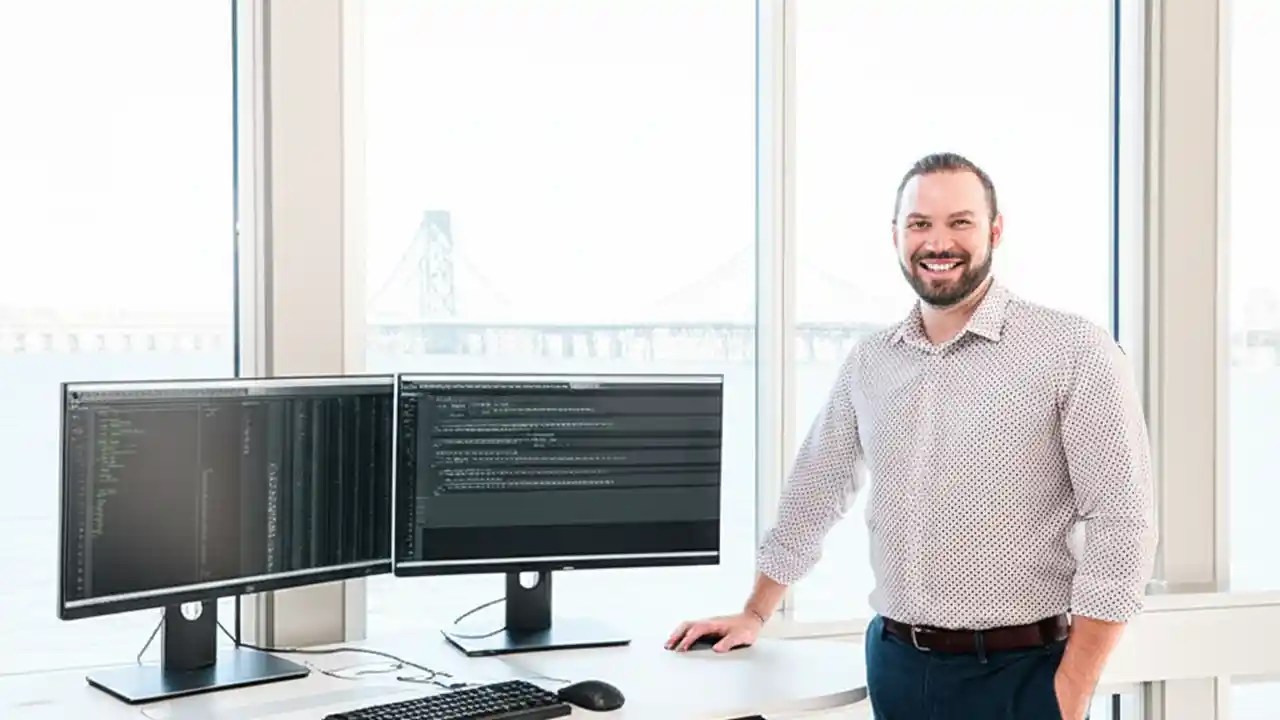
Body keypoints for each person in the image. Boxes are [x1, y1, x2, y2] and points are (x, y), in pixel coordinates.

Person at [666, 152, 1157, 720]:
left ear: (995, 231)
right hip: (897, 666)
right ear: (896, 236)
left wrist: (1072, 686)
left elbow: (1123, 524)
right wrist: (755, 612)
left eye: (960, 222)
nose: (938, 242)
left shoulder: (1073, 350)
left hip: (1022, 676)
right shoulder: (871, 361)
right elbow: (814, 492)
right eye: (920, 224)